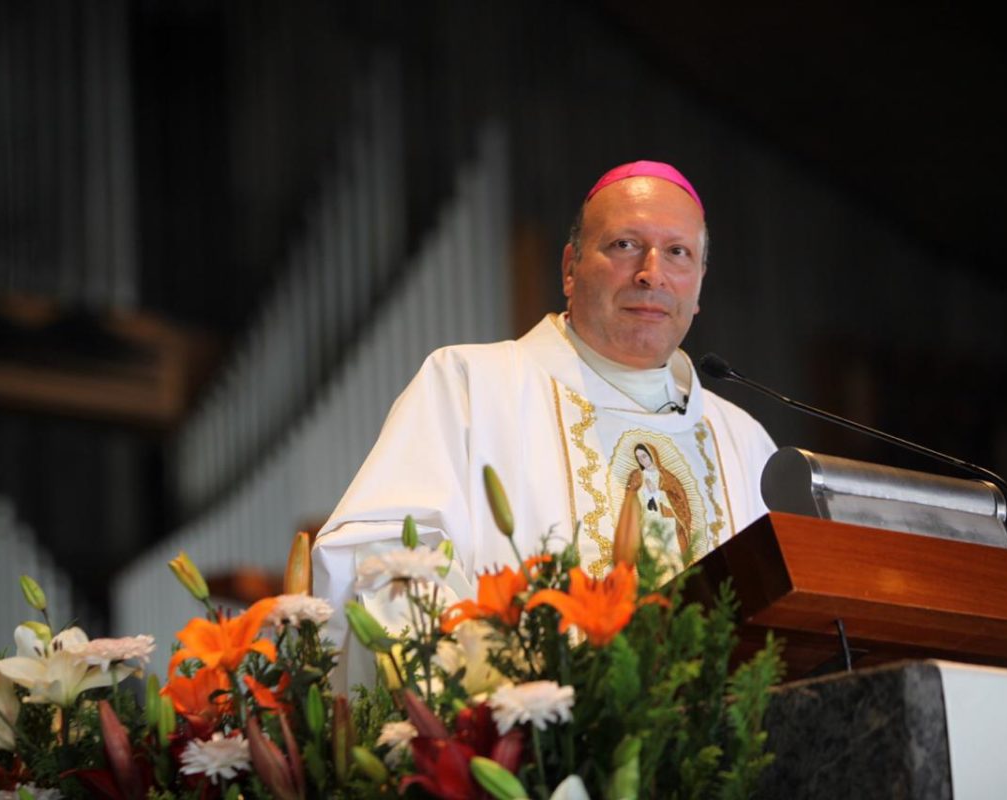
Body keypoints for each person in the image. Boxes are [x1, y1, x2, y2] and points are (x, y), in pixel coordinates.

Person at [313, 160, 776, 689]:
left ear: (698, 288)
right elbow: (383, 558)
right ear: (570, 269)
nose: (652, 273)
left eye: (678, 253)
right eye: (625, 245)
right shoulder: (469, 386)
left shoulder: (744, 441)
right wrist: (503, 685)